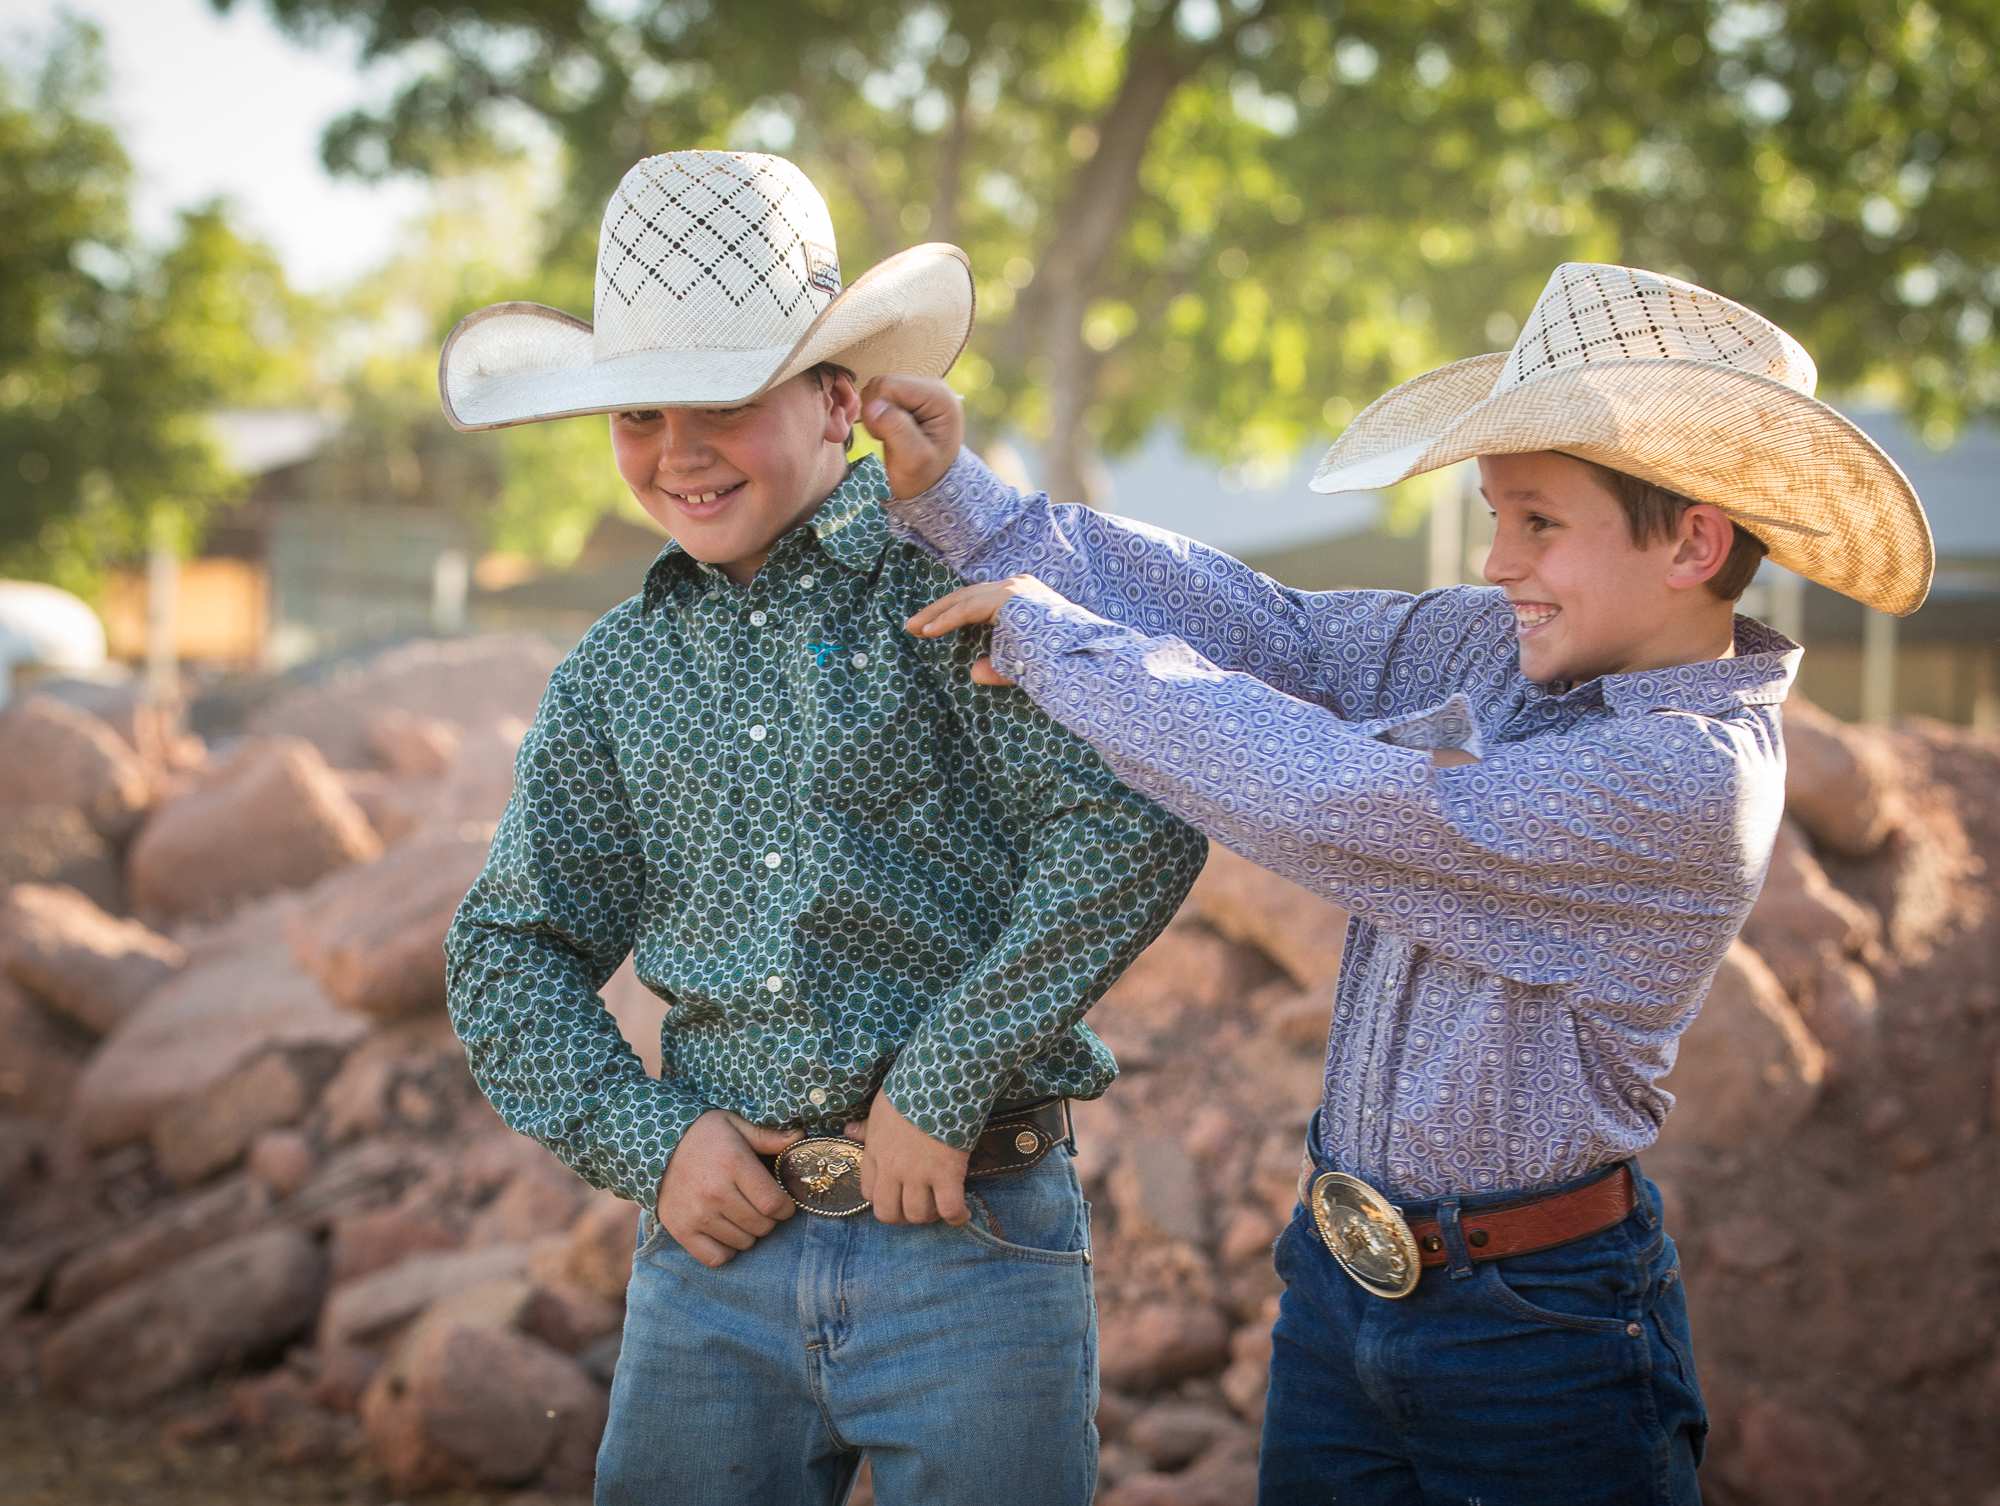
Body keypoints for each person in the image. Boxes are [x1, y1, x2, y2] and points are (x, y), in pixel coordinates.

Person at [857, 262, 1933, 1506]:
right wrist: (967, 506)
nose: (1494, 559)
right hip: (1340, 1285)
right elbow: (1279, 634)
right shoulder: (1502, 646)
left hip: (1536, 1335)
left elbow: (1342, 803)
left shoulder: (1687, 779)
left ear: (1691, 540)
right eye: (1495, 516)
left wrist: (1059, 644)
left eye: (1536, 522)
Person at [438, 150, 1206, 1506]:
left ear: (837, 399)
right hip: (720, 1266)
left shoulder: (953, 596)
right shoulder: (615, 675)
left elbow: (1129, 825)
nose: (677, 449)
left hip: (972, 1236)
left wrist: (941, 1077)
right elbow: (510, 949)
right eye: (637, 413)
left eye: (725, 401)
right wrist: (651, 1137)